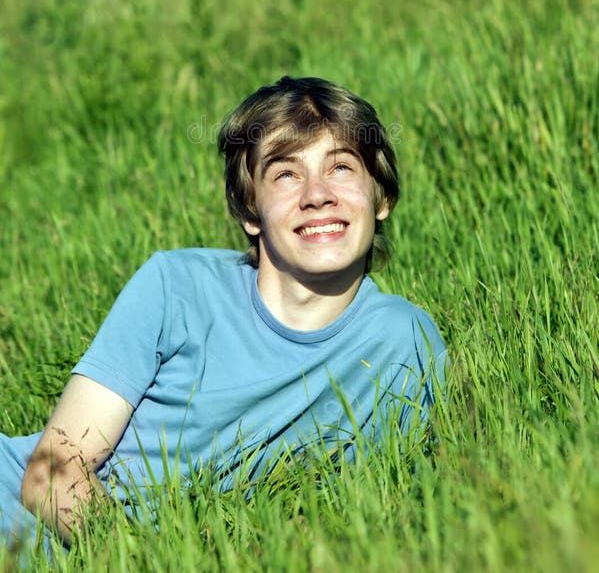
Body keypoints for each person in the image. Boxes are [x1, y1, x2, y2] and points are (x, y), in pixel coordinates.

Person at [0, 76, 447, 557]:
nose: (317, 194)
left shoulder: (404, 342)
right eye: (286, 174)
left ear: (381, 197)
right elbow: (51, 471)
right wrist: (150, 562)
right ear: (250, 211)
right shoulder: (177, 288)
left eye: (340, 167)